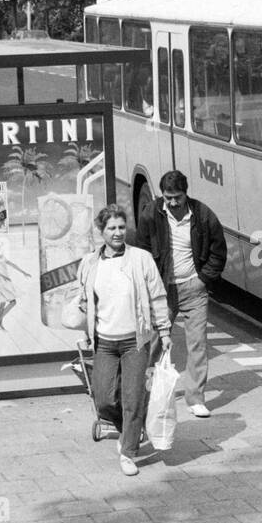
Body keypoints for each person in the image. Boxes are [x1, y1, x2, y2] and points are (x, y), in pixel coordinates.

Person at [76, 203, 172, 476]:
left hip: (135, 342)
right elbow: (84, 301)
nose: (117, 233)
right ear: (101, 231)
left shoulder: (141, 258)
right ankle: (129, 427)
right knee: (104, 398)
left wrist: (164, 332)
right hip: (104, 342)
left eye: (121, 227)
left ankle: (129, 451)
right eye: (111, 228)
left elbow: (157, 296)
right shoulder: (89, 263)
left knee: (133, 397)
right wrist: (84, 332)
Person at [136, 171, 227, 418]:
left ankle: (195, 398)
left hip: (193, 289)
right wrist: (151, 285)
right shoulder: (151, 215)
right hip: (162, 290)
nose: (173, 203)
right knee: (154, 342)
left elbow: (218, 251)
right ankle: (145, 392)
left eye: (177, 197)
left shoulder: (204, 215)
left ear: (186, 194)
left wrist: (203, 279)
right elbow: (142, 252)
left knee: (197, 343)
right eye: (168, 198)